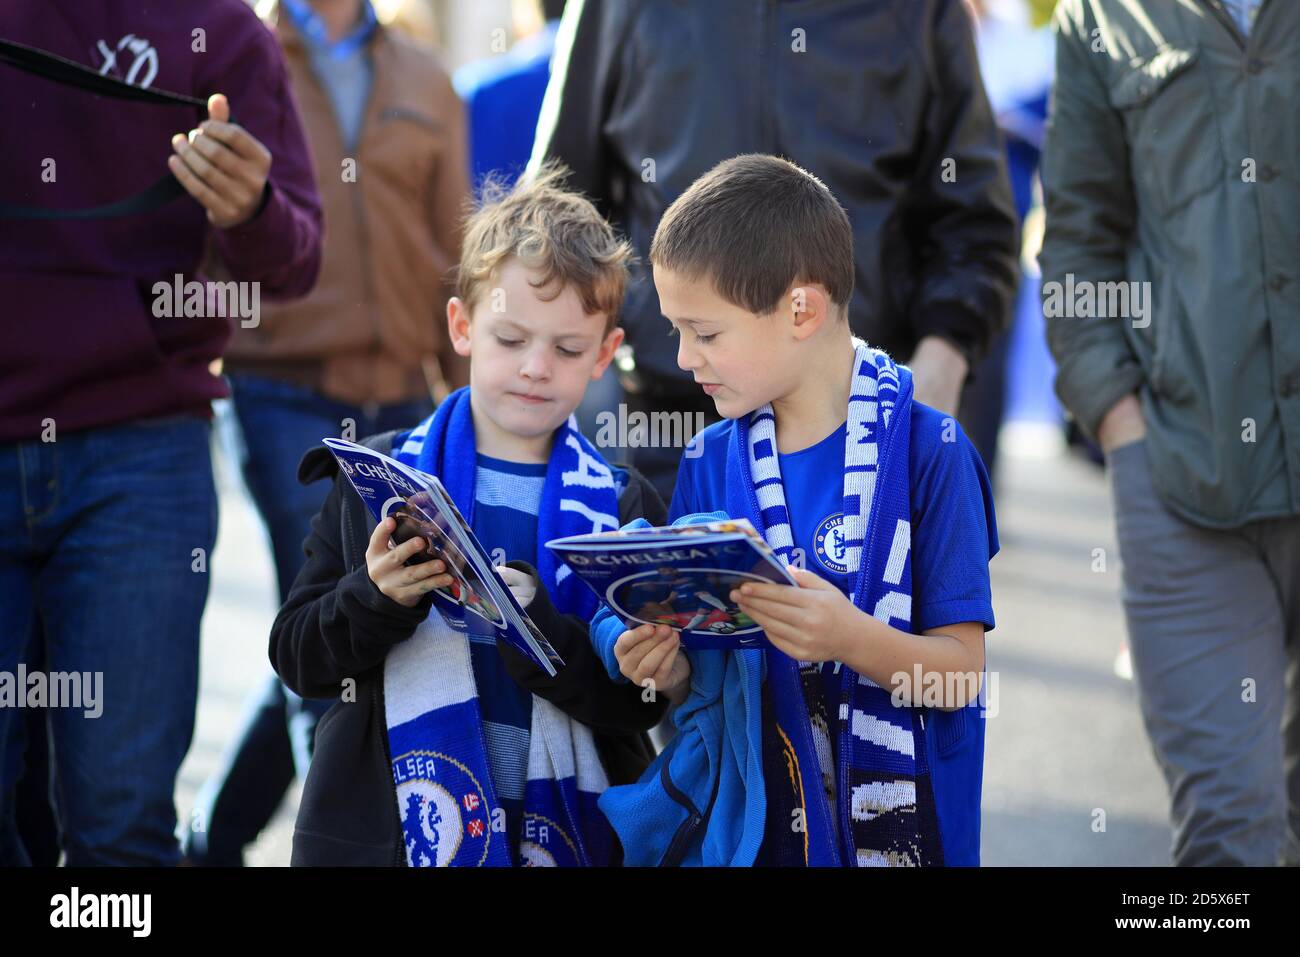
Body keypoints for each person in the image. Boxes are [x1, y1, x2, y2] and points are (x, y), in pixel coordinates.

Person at [588, 154, 1000, 867]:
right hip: (756, 840)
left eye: (706, 333)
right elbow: (705, 687)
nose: (684, 357)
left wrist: (849, 637)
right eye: (677, 331)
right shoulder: (711, 460)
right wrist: (662, 664)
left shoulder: (932, 452)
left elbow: (960, 677)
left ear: (801, 310)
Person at [270, 165, 669, 865]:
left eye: (568, 348)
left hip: (567, 830)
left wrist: (543, 634)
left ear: (605, 353)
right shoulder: (378, 480)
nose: (536, 367)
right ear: (461, 325)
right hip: (393, 835)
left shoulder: (622, 503)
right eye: (511, 339)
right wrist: (376, 598)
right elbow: (297, 656)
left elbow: (638, 706)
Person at [0, 0, 322, 866]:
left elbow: (298, 256)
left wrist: (250, 208)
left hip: (140, 455)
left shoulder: (219, 30)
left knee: (121, 826)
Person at [182, 0, 472, 866]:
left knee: (344, 624)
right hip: (281, 395)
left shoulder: (427, 78)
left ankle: (212, 839)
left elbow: (462, 250)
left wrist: (470, 410)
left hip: (398, 403)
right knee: (333, 631)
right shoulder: (238, 61)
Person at [529, 0, 1019, 500]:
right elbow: (559, 209)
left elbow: (975, 219)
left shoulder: (922, 11)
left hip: (862, 422)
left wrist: (943, 360)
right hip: (672, 422)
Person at [1041, 0, 1300, 866]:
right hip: (1185, 482)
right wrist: (1120, 423)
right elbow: (1077, 237)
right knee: (1233, 830)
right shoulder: (1097, 18)